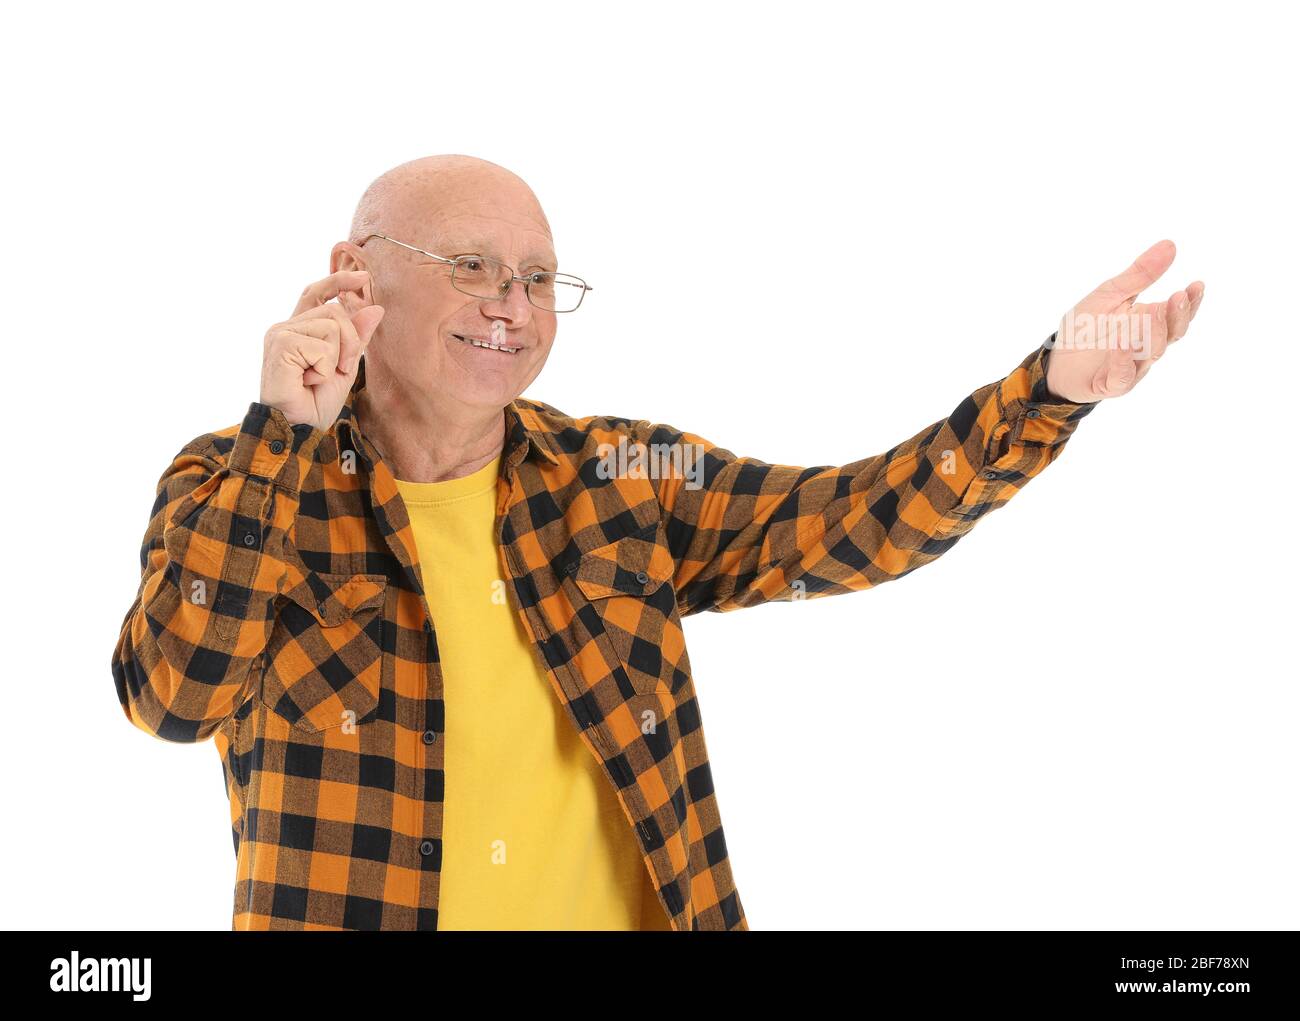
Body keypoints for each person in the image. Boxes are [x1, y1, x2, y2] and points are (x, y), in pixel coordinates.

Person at [111, 154, 1205, 930]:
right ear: (356, 266)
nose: (513, 306)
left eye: (539, 278)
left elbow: (850, 518)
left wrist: (1051, 391)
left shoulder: (622, 478)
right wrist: (284, 435)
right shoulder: (237, 479)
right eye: (473, 266)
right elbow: (171, 698)